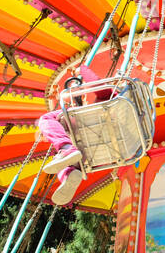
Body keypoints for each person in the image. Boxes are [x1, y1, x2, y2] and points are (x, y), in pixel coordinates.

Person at [38, 65, 113, 205]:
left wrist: (82, 70)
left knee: (47, 119)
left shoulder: (108, 100)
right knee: (69, 162)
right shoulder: (115, 105)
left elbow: (100, 87)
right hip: (109, 148)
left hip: (88, 135)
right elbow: (101, 88)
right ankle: (69, 175)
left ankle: (66, 149)